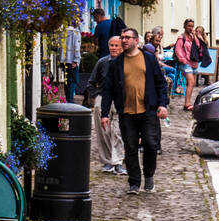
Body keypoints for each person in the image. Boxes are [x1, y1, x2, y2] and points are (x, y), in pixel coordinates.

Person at [100, 28, 169, 195]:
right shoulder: (116, 63)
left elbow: (160, 83)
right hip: (127, 112)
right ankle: (134, 182)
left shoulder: (148, 59)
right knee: (130, 147)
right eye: (122, 37)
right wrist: (104, 114)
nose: (124, 41)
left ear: (136, 41)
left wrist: (163, 104)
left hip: (148, 111)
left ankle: (149, 176)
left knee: (151, 145)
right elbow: (108, 89)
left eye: (127, 38)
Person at [85, 35, 126, 174]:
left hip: (120, 99)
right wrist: (97, 96)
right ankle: (108, 161)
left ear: (122, 47)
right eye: (111, 45)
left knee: (118, 131)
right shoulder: (103, 62)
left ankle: (118, 161)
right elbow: (90, 82)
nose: (113, 48)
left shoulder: (126, 62)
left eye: (116, 45)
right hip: (103, 98)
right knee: (104, 132)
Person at [174, 18, 201, 110]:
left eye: (192, 26)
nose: (191, 28)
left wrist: (195, 36)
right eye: (189, 26)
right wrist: (183, 59)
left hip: (194, 62)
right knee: (191, 82)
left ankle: (188, 102)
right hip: (185, 63)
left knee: (191, 84)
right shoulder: (181, 37)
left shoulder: (193, 37)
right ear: (185, 26)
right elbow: (178, 49)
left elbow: (199, 46)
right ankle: (187, 104)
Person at [61, 21, 82, 102]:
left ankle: (67, 99)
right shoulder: (75, 32)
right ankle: (70, 100)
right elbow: (76, 46)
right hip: (72, 59)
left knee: (67, 79)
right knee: (74, 80)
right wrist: (76, 59)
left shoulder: (62, 31)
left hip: (64, 59)